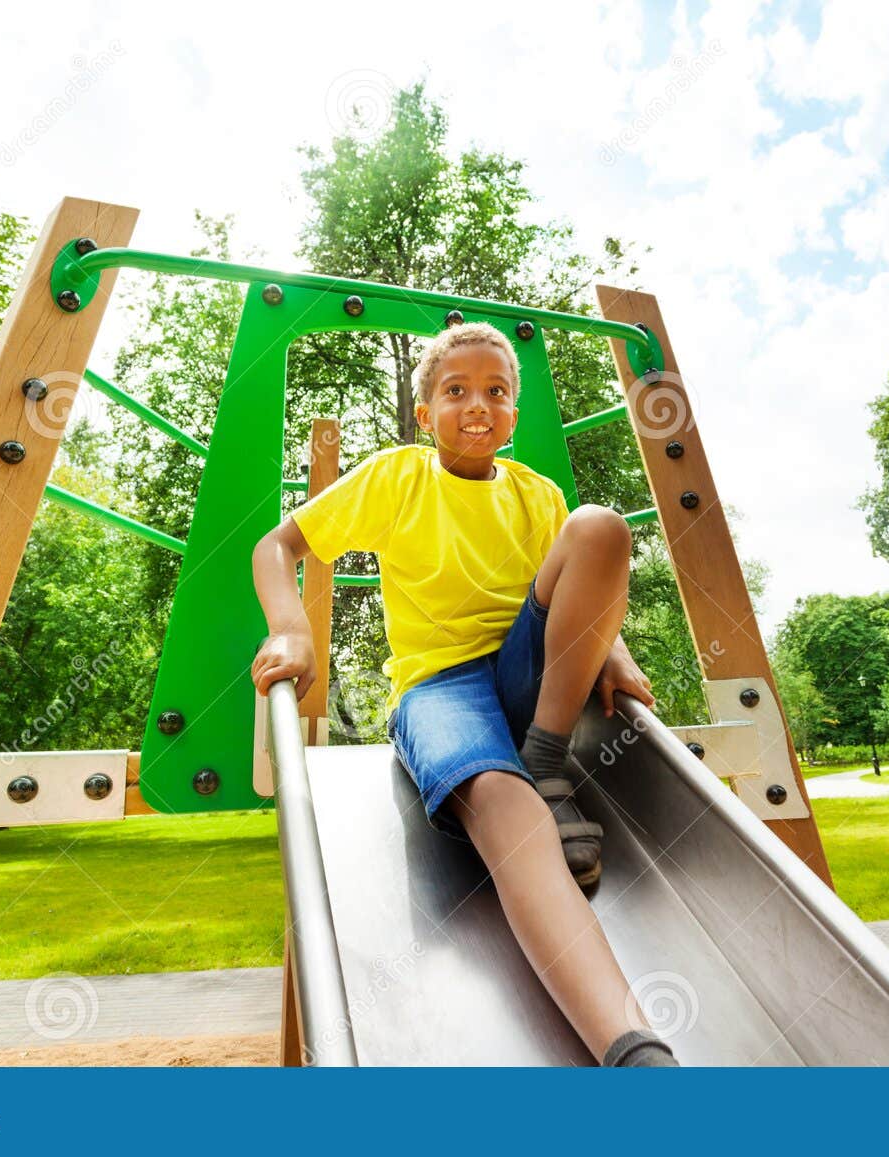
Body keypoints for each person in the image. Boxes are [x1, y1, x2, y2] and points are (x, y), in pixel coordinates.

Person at [250, 321, 679, 1067]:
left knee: (601, 527)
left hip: (529, 679)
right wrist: (292, 629)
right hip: (440, 689)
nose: (477, 405)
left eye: (496, 391)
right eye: (456, 391)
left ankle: (545, 762)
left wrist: (612, 649)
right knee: (505, 807)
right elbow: (276, 545)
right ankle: (637, 1054)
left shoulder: (537, 494)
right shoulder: (398, 477)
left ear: (513, 413)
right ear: (425, 414)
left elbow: (581, 584)